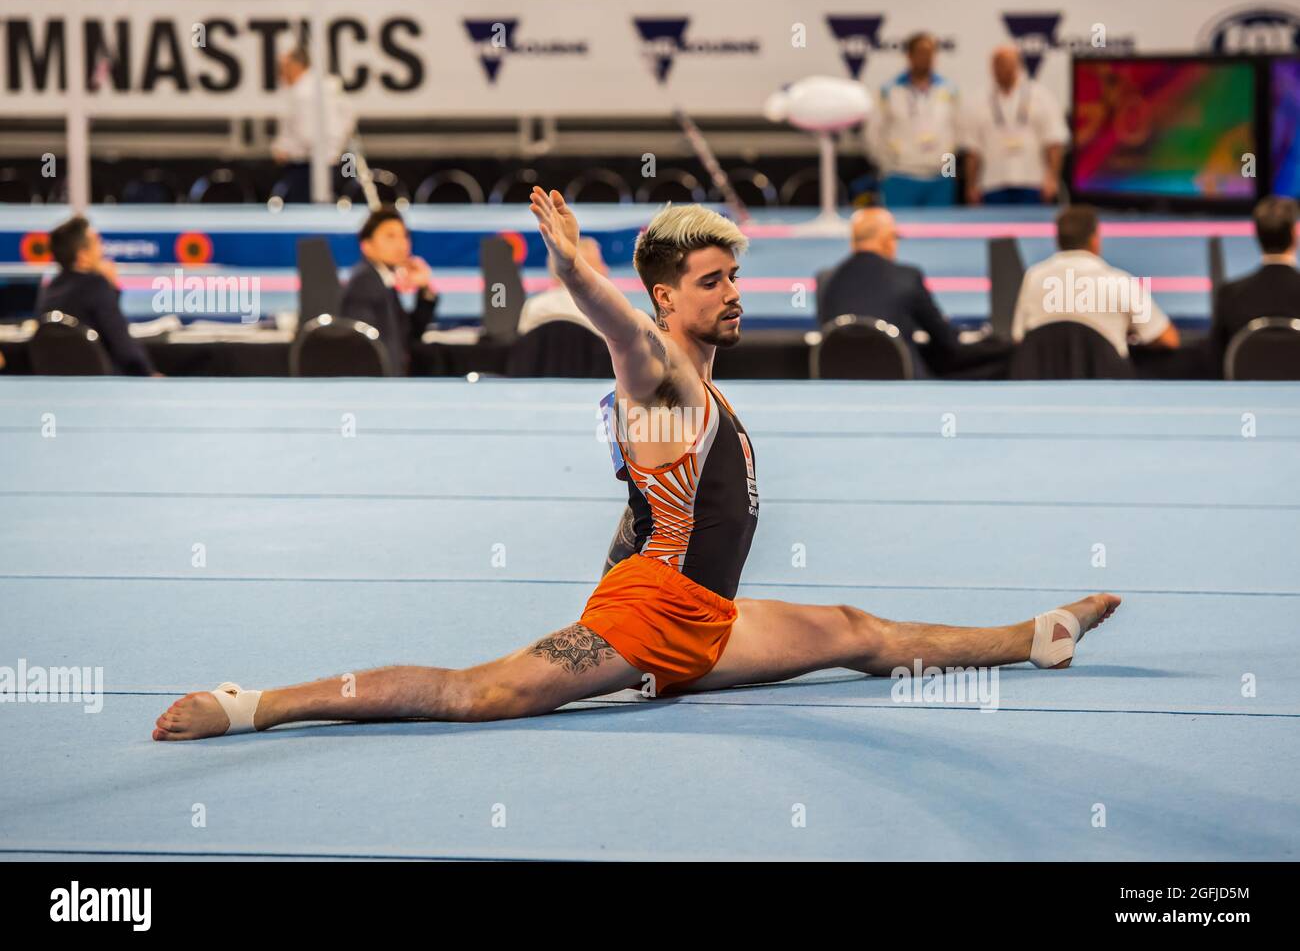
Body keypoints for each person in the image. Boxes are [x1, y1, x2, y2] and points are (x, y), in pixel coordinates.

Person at [152, 192, 1121, 742]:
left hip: (703, 625)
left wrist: (612, 575)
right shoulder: (658, 375)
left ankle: (1035, 633)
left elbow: (635, 510)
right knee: (476, 695)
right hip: (654, 623)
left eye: (736, 276)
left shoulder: (697, 390)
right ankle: (255, 704)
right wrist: (577, 273)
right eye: (713, 282)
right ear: (666, 299)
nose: (735, 293)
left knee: (860, 633)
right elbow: (620, 335)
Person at [817, 207, 1008, 377]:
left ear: (854, 241)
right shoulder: (907, 277)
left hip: (838, 381)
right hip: (902, 384)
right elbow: (948, 342)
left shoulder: (826, 280)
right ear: (886, 241)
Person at [1012, 205, 1179, 359]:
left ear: (1058, 240)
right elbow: (1169, 339)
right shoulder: (1121, 283)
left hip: (1045, 381)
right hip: (1109, 384)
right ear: (1094, 239)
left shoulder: (1033, 278)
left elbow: (1018, 337)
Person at [37, 216, 159, 377]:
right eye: (96, 242)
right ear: (83, 256)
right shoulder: (97, 285)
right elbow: (125, 348)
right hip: (103, 387)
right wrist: (150, 374)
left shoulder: (50, 288)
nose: (102, 249)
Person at [961, 45, 1066, 205]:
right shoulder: (978, 101)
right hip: (992, 183)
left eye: (1007, 63)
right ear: (992, 68)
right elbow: (972, 150)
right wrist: (971, 185)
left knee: (1031, 228)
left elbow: (1054, 142)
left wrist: (1052, 178)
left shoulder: (1041, 97)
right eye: (998, 64)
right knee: (995, 229)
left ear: (1018, 65)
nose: (1003, 69)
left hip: (1033, 181)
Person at [339, 207, 439, 375]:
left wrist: (425, 288)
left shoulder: (383, 280)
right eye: (390, 236)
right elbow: (366, 348)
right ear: (367, 246)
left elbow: (409, 335)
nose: (401, 244)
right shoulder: (365, 282)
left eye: (404, 236)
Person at [1208, 195, 1300, 377]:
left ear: (1257, 235)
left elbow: (1217, 362)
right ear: (1293, 234)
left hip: (1246, 402)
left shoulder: (1230, 294)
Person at [865, 32, 960, 208]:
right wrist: (888, 167)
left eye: (930, 53)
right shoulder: (889, 90)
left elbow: (957, 131)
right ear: (909, 55)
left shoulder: (949, 90)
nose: (926, 58)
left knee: (941, 232)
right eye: (921, 52)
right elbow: (874, 132)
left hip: (940, 176)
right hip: (901, 175)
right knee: (899, 230)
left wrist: (949, 169)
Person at [271, 47, 356, 203]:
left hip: (308, 166)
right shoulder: (328, 87)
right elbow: (348, 118)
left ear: (296, 66)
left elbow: (309, 134)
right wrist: (336, 146)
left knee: (304, 212)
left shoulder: (303, 93)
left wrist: (285, 149)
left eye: (284, 67)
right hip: (328, 161)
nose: (281, 73)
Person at [517, 237, 606, 336]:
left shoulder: (533, 307)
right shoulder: (606, 313)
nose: (606, 269)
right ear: (589, 272)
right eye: (600, 263)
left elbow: (523, 347)